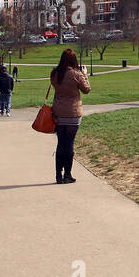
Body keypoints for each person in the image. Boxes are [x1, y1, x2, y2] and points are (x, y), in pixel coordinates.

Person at [49, 49, 91, 184]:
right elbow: (86, 90)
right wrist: (84, 75)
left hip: (59, 112)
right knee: (69, 144)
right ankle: (67, 174)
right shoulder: (76, 74)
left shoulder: (55, 74)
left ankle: (58, 175)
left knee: (61, 143)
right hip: (73, 112)